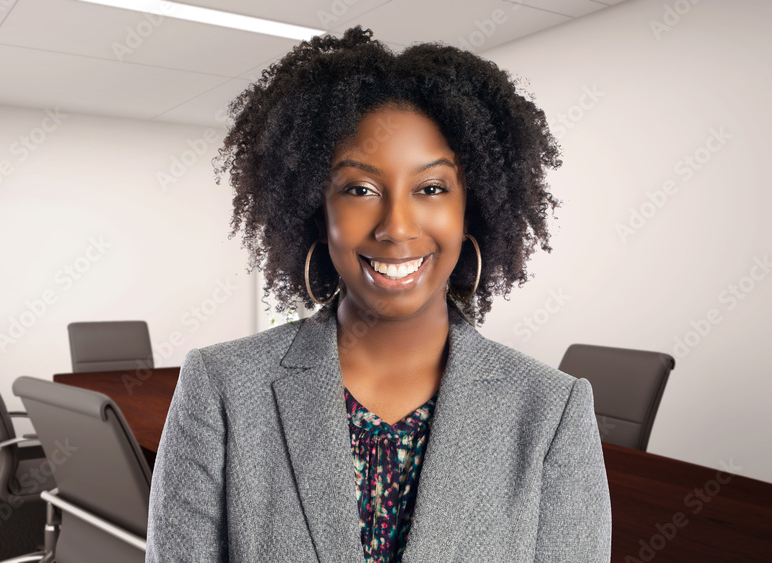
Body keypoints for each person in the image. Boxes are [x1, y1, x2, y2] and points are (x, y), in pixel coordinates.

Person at [145, 26, 611, 562]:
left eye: (431, 188)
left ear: (472, 211)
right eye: (360, 189)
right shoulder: (220, 390)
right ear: (316, 212)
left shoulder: (552, 411)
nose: (396, 226)